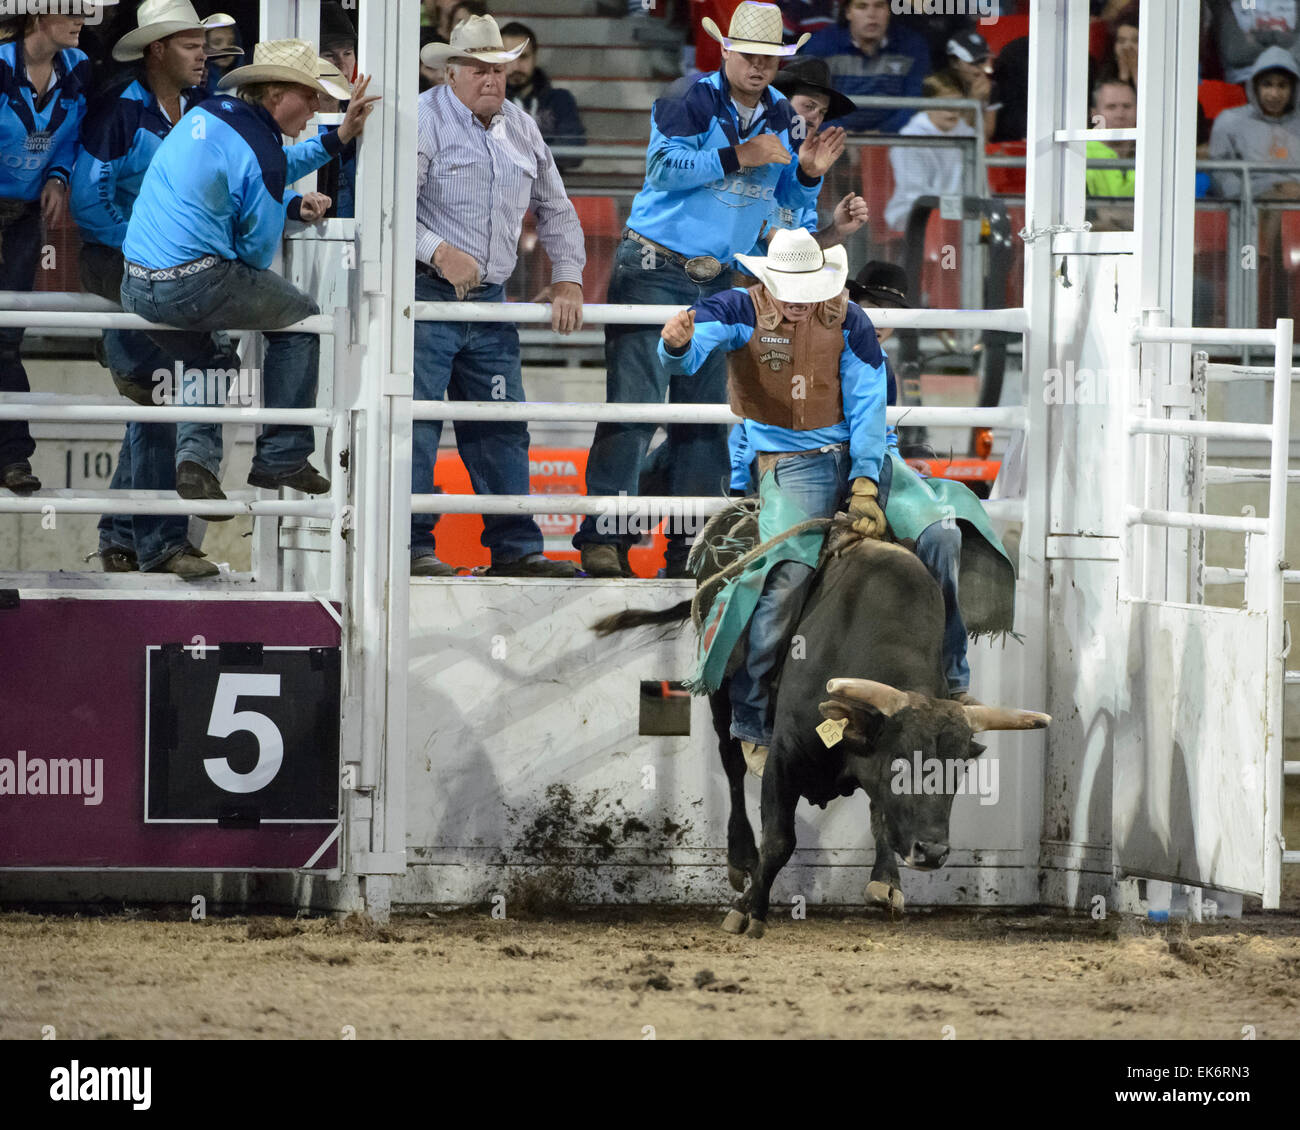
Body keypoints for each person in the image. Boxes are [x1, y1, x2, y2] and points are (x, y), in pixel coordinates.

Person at [573, 1, 847, 579]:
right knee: (636, 407)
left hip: (719, 277)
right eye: (748, 54)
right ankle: (605, 539)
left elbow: (788, 216)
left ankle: (688, 549)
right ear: (725, 52)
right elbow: (662, 169)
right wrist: (739, 155)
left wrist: (808, 176)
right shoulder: (689, 95)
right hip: (656, 267)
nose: (758, 65)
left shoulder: (781, 116)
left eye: (768, 57)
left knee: (701, 419)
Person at [661, 227, 889, 773]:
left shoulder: (849, 318)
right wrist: (675, 343)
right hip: (791, 465)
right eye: (786, 287)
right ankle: (751, 716)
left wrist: (865, 481)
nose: (795, 301)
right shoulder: (737, 307)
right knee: (785, 575)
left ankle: (951, 682)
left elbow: (869, 403)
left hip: (859, 456)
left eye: (805, 288)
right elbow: (686, 357)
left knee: (939, 534)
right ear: (768, 280)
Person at [120, 41, 380, 509]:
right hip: (192, 284)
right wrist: (290, 209)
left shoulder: (214, 112)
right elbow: (255, 254)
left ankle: (196, 463)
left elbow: (265, 171)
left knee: (212, 357)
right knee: (301, 318)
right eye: (310, 96)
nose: (316, 108)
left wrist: (335, 139)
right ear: (278, 93)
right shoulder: (263, 153)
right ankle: (281, 454)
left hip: (136, 283)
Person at [411, 16, 585, 578]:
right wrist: (439, 251)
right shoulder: (422, 119)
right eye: (480, 68)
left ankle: (517, 549)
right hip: (425, 294)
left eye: (499, 69)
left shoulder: (522, 127)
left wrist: (571, 276)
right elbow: (389, 210)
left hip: (490, 300)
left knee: (502, 425)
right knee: (415, 424)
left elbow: (556, 207)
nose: (492, 78)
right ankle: (411, 547)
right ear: (451, 72)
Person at [72, 0, 235, 578]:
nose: (204, 55)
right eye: (192, 46)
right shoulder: (121, 112)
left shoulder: (201, 108)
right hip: (128, 264)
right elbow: (90, 204)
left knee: (156, 397)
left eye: (204, 45)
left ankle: (121, 533)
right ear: (157, 51)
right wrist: (154, 245)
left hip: (172, 270)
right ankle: (162, 543)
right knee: (169, 391)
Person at [847, 259, 992, 706]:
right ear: (853, 303)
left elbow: (881, 434)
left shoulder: (883, 365)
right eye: (874, 306)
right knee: (781, 564)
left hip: (880, 459)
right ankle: (753, 703)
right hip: (821, 456)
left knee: (944, 535)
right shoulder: (821, 349)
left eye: (892, 312)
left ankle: (952, 675)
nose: (883, 321)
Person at [0, 2, 107, 497]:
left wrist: (60, 176)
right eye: (72, 9)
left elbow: (74, 133)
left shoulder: (78, 68)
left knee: (5, 338)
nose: (83, 17)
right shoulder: (1, 65)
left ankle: (12, 459)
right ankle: (13, 457)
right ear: (37, 14)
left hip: (22, 216)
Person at [802, 0, 930, 134]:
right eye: (862, 6)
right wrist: (840, 134)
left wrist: (882, 133)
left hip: (896, 137)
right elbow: (810, 102)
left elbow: (914, 101)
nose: (871, 14)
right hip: (830, 137)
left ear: (889, 11)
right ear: (848, 12)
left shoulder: (913, 45)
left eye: (879, 6)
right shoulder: (821, 45)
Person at [885, 70, 975, 233]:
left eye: (958, 104)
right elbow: (916, 196)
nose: (953, 111)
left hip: (957, 211)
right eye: (946, 105)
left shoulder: (968, 134)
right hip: (914, 212)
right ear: (928, 105)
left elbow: (976, 184)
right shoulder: (909, 139)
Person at [500, 21, 586, 172]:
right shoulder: (486, 102)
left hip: (550, 190)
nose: (516, 67)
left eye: (523, 57)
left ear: (535, 57)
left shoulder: (560, 100)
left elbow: (574, 153)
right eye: (509, 58)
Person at [1206, 0, 1300, 86]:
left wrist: (1256, 37)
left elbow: (1297, 54)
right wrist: (1282, 41)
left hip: (1291, 81)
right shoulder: (1224, 4)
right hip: (1243, 82)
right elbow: (1236, 54)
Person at [1085, 77, 1136, 231]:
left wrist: (1112, 215)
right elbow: (1087, 218)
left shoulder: (1154, 151)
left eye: (1127, 106)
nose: (1120, 114)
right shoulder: (1078, 153)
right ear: (1095, 114)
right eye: (1111, 107)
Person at [945, 29, 999, 139]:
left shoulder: (990, 87)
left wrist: (982, 100)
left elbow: (985, 137)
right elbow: (951, 138)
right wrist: (973, 102)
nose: (978, 70)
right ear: (954, 63)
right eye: (972, 63)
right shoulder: (941, 87)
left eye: (982, 61)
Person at [201, 16, 242, 94]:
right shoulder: (194, 86)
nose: (225, 48)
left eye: (231, 43)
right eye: (217, 42)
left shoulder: (246, 85)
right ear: (204, 46)